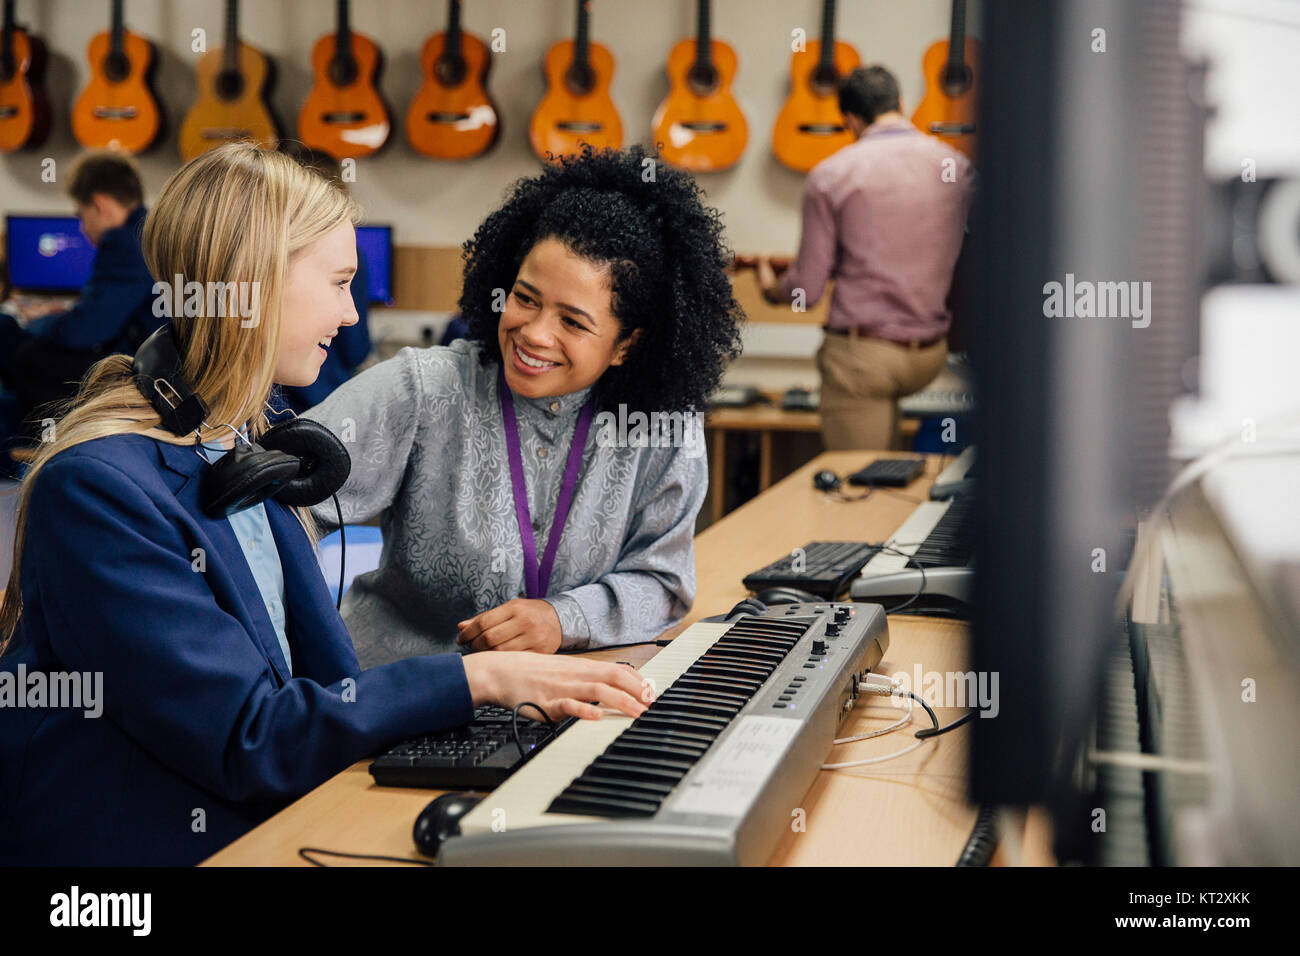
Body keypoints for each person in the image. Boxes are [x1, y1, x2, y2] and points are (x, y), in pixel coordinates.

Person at [0, 142, 648, 866]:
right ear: (254, 285)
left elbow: (312, 693)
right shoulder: (98, 491)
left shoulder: (240, 448)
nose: (349, 315)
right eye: (340, 282)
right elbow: (247, 735)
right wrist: (481, 678)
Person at [304, 144, 743, 668]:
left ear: (627, 344)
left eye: (573, 322)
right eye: (526, 298)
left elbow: (663, 580)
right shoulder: (426, 388)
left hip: (562, 701)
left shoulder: (663, 427)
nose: (533, 334)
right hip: (403, 701)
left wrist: (565, 619)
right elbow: (273, 503)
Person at [756, 65, 976, 451]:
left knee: (859, 488)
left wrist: (772, 289)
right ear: (902, 104)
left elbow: (805, 293)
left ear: (850, 119)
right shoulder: (955, 167)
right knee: (895, 481)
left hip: (865, 359)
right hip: (931, 353)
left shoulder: (832, 175)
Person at [0, 152, 159, 460]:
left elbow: (82, 332)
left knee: (14, 341)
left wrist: (34, 322)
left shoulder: (125, 241)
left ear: (99, 204)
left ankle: (41, 443)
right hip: (148, 351)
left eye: (82, 215)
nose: (83, 229)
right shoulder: (148, 227)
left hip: (132, 364)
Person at [272, 143, 372, 416]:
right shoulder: (351, 258)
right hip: (323, 404)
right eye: (340, 283)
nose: (349, 314)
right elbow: (356, 350)